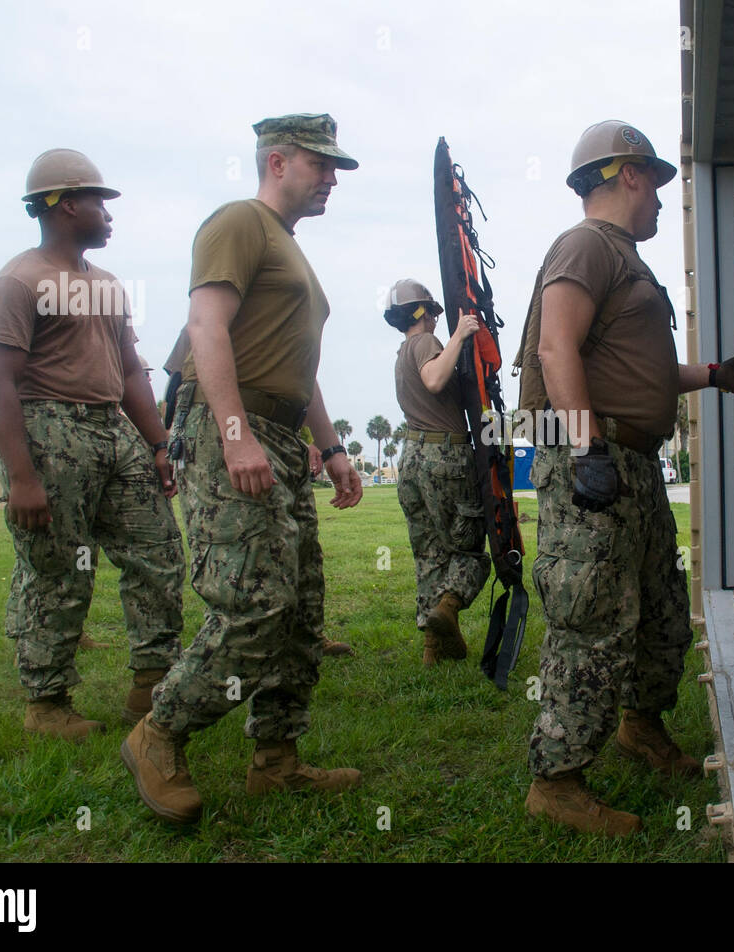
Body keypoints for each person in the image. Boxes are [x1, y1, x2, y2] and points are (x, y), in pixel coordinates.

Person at [122, 114, 364, 825]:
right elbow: (206, 327)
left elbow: (301, 369)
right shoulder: (241, 222)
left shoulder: (289, 252)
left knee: (298, 610)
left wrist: (334, 448)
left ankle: (277, 761)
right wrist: (234, 434)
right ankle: (159, 732)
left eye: (336, 170)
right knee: (255, 601)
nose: (330, 181)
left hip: (282, 436)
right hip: (237, 425)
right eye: (321, 166)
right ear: (278, 160)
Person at [524, 120, 734, 835]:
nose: (661, 197)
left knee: (658, 610)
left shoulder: (622, 256)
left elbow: (644, 370)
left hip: (633, 462)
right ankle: (556, 780)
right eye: (656, 183)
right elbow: (554, 343)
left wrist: (716, 376)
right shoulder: (587, 244)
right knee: (591, 616)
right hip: (597, 459)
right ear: (627, 174)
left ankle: (639, 724)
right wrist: (586, 448)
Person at [0, 148, 185, 741]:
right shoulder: (18, 282)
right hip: (49, 430)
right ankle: (47, 704)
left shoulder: (110, 287)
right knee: (58, 569)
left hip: (113, 430)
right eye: (99, 200)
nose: (108, 212)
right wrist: (21, 476)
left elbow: (130, 372)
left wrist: (159, 443)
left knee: (158, 548)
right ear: (67, 205)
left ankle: (151, 679)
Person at [162, 327, 354, 656]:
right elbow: (181, 378)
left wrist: (325, 445)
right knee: (243, 572)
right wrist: (176, 440)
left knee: (298, 555)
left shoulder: (292, 303)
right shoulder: (222, 300)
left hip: (282, 434)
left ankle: (301, 640)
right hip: (231, 431)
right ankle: (186, 690)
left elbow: (302, 379)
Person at [383, 279, 491, 664]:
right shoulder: (425, 343)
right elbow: (434, 379)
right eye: (432, 313)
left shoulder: (400, 352)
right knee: (471, 550)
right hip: (444, 457)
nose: (434, 319)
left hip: (412, 458)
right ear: (423, 312)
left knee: (429, 553)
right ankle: (448, 604)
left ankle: (435, 647)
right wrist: (460, 335)